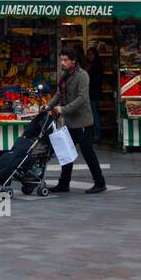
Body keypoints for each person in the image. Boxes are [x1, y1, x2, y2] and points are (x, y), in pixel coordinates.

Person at [47, 48, 107, 194]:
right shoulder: (64, 75)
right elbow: (59, 94)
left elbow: (82, 98)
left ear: (73, 61)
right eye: (62, 59)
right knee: (66, 153)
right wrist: (49, 106)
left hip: (82, 122)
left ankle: (100, 183)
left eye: (66, 60)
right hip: (69, 122)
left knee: (88, 153)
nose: (63, 62)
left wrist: (63, 109)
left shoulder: (82, 76)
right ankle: (64, 184)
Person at [85, 47, 105, 142]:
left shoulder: (96, 65)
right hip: (92, 93)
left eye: (90, 54)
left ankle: (97, 135)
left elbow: (94, 80)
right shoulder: (93, 64)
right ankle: (94, 135)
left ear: (95, 55)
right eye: (88, 54)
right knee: (93, 114)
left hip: (93, 93)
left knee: (94, 114)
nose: (89, 56)